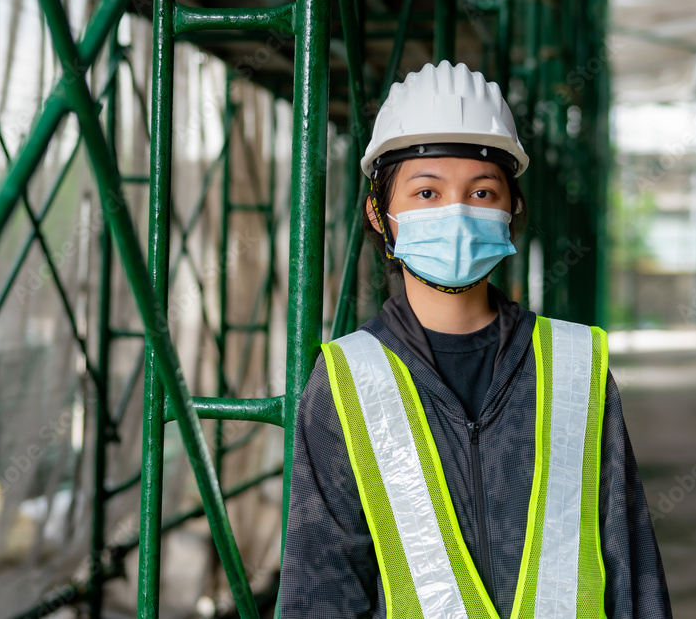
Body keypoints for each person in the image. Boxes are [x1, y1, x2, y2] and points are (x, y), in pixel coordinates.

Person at [279, 61, 671, 618]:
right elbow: (321, 591)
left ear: (511, 208)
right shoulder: (347, 381)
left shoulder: (576, 368)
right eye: (426, 192)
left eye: (482, 191)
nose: (457, 213)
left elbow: (633, 575)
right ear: (379, 214)